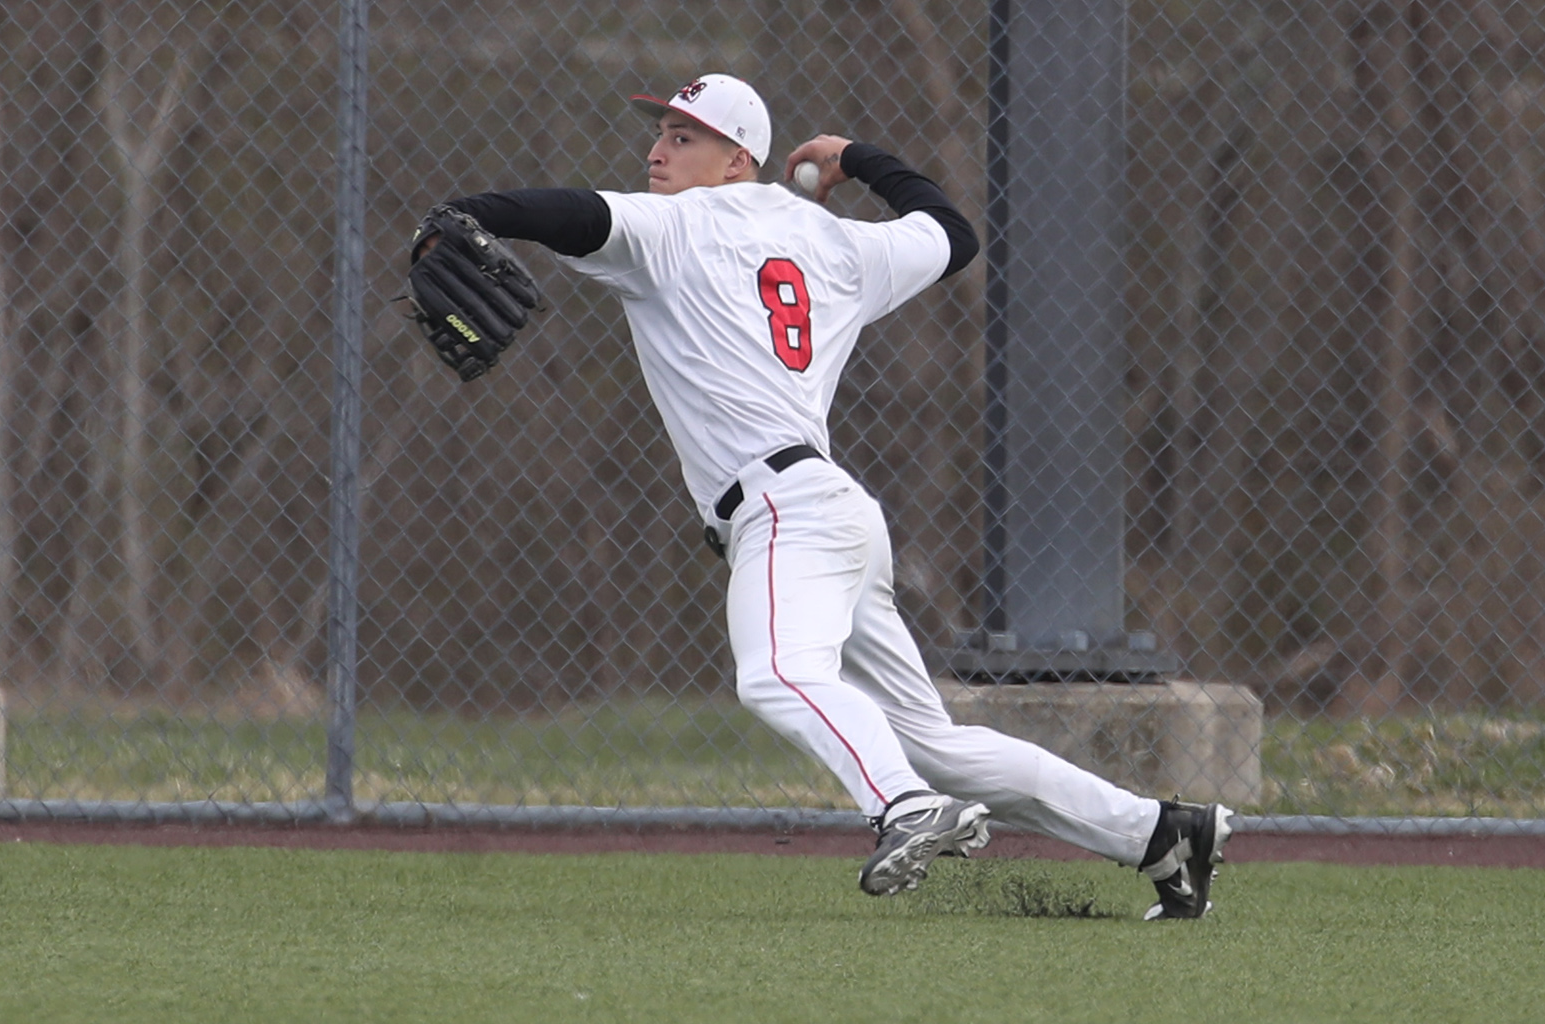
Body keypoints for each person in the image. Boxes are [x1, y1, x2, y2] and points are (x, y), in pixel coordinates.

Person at [418, 73, 1232, 915]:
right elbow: (953, 235)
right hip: (838, 513)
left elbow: (572, 213)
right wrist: (858, 158)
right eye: (659, 131)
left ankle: (902, 806)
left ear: (739, 160)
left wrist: (466, 210)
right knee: (936, 744)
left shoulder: (670, 227)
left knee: (774, 676)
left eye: (684, 136)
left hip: (784, 514)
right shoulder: (838, 243)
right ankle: (1161, 832)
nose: (658, 150)